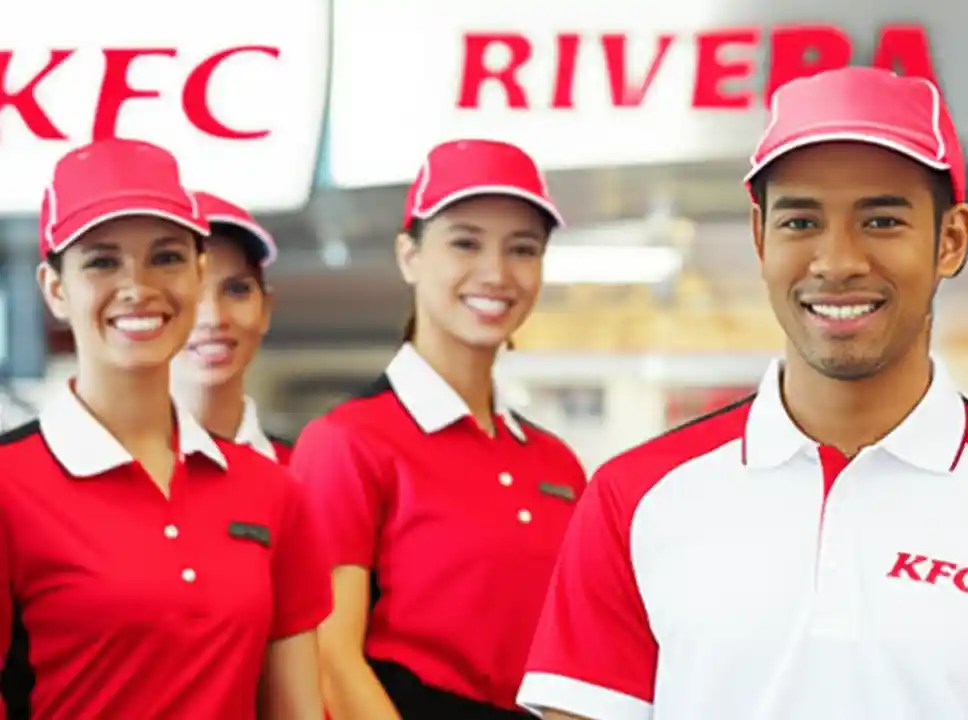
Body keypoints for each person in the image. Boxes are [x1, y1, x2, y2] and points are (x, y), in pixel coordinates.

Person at [516, 66, 968, 719]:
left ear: (951, 240)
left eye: (882, 221)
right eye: (801, 222)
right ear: (759, 237)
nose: (837, 262)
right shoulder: (631, 502)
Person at [0, 138, 332, 719]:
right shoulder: (9, 485)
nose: (138, 285)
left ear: (199, 272)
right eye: (102, 261)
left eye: (167, 257)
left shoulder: (273, 491)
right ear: (55, 289)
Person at [291, 138, 588, 719]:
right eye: (465, 243)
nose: (496, 272)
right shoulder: (348, 442)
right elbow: (329, 660)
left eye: (522, 249)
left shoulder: (558, 464)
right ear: (410, 256)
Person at [173, 191, 292, 463]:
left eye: (237, 290)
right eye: (188, 294)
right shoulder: (103, 477)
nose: (213, 317)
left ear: (265, 308)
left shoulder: (301, 474)